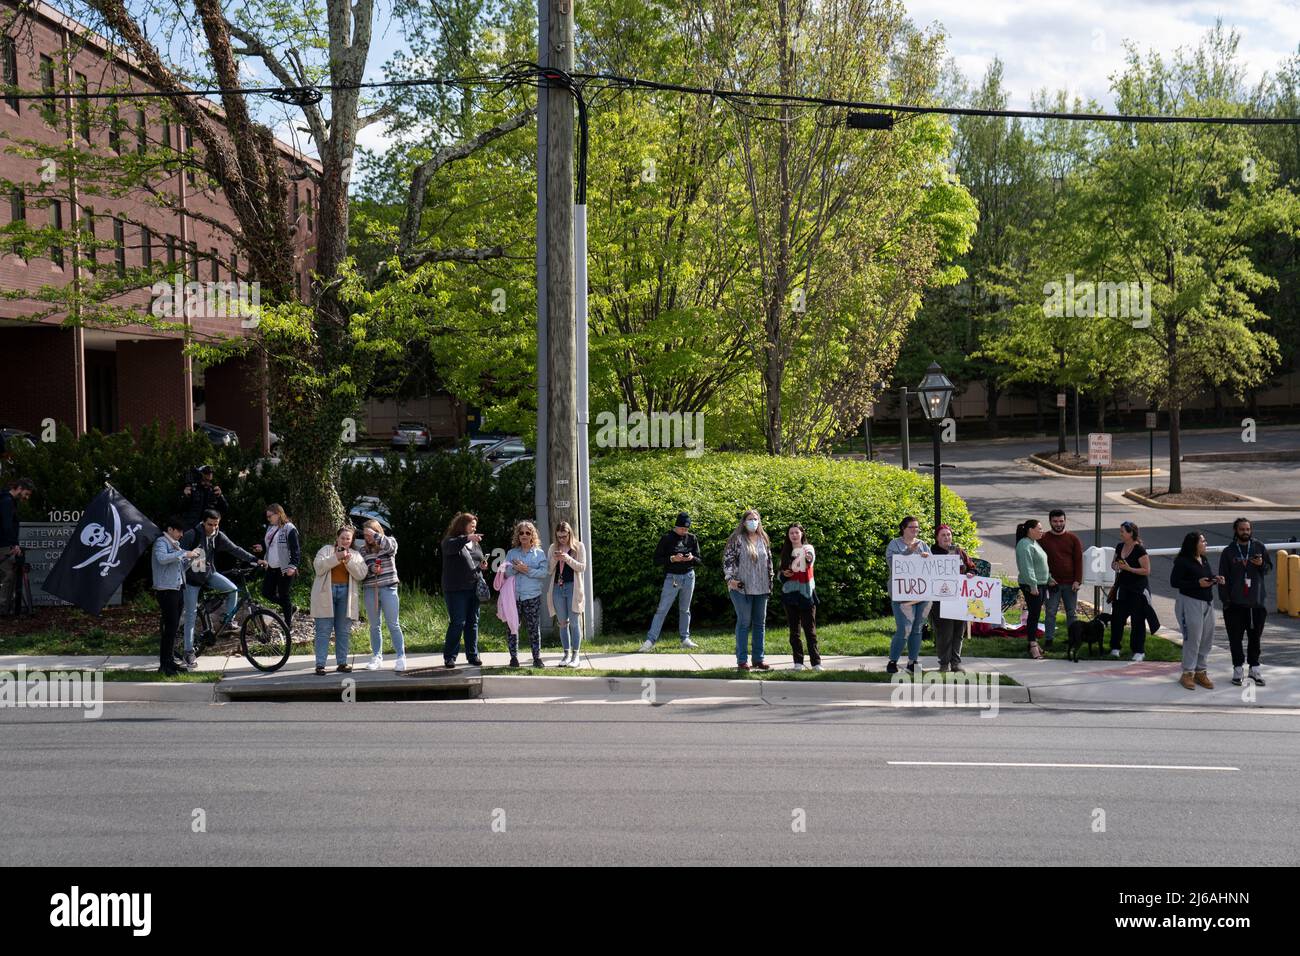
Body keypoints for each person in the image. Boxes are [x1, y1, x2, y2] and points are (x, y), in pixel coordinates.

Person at [180, 509, 262, 668]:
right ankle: (188, 652)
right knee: (191, 615)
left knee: (232, 589)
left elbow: (234, 549)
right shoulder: (192, 535)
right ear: (203, 522)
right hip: (191, 579)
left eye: (216, 525)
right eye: (210, 524)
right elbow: (179, 554)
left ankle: (228, 620)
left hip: (208, 574)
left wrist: (254, 560)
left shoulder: (218, 535)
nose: (213, 528)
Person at [1218, 517, 1271, 686]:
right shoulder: (1229, 551)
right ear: (1236, 530)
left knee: (1255, 637)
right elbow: (1222, 578)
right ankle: (1238, 668)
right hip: (1235, 604)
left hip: (1256, 603)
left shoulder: (1259, 547)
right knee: (1235, 638)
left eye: (1248, 529)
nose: (1246, 532)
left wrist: (1261, 564)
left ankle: (1254, 668)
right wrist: (1226, 601)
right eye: (1242, 529)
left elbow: (1269, 568)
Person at [638, 512, 702, 652]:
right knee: (662, 610)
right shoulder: (667, 538)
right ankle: (650, 640)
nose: (684, 531)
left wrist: (691, 558)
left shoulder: (692, 538)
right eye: (682, 529)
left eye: (687, 529)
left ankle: (685, 638)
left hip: (689, 576)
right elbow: (656, 560)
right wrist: (673, 559)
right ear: (676, 526)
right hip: (672, 577)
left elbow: (699, 559)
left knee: (685, 609)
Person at [310, 525, 368, 675]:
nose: (345, 541)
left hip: (346, 594)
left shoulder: (355, 554)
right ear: (337, 538)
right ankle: (320, 664)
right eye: (342, 538)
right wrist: (336, 557)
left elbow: (361, 574)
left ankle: (342, 663)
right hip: (326, 593)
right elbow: (318, 567)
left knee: (343, 631)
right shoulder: (326, 550)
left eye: (348, 538)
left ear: (352, 540)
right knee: (323, 630)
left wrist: (348, 562)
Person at [1171, 531, 1223, 691]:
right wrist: (1197, 583)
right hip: (1190, 602)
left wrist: (1215, 579)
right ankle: (1187, 673)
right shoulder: (1182, 561)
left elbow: (1205, 577)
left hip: (1207, 602)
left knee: (1207, 637)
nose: (1206, 543)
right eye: (1203, 541)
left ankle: (1201, 671)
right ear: (1194, 544)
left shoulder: (1204, 559)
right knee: (1193, 638)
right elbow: (1175, 582)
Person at [723, 509, 773, 671]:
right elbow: (728, 560)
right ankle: (742, 660)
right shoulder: (736, 539)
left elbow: (769, 562)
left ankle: (758, 659)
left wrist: (771, 580)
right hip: (740, 587)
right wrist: (731, 580)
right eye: (750, 519)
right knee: (744, 622)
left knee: (760, 624)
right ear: (744, 522)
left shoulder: (764, 539)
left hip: (762, 588)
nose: (753, 522)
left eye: (756, 519)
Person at [152, 516, 202, 675]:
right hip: (166, 590)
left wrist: (191, 559)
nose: (181, 534)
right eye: (179, 531)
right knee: (169, 628)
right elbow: (161, 559)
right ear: (170, 530)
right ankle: (164, 665)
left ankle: (170, 662)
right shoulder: (161, 542)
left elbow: (179, 567)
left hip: (177, 588)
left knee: (173, 629)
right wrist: (183, 553)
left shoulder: (175, 545)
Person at [886, 515, 931, 674]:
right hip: (902, 596)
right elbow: (892, 563)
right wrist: (908, 552)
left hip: (922, 594)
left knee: (917, 629)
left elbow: (932, 567)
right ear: (903, 528)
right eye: (911, 527)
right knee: (904, 628)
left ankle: (912, 662)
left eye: (917, 527)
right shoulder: (894, 544)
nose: (915, 530)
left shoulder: (923, 545)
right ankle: (893, 661)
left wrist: (927, 558)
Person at [441, 512, 487, 668]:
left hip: (473, 588)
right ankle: (450, 657)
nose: (474, 527)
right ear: (462, 525)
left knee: (473, 623)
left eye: (475, 524)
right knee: (458, 622)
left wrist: (482, 566)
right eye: (471, 524)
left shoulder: (475, 543)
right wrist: (467, 538)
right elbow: (450, 548)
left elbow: (477, 559)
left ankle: (472, 656)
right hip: (455, 590)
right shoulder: (450, 541)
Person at [360, 519, 407, 672]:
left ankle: (400, 657)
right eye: (365, 534)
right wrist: (371, 568)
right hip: (370, 589)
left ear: (376, 531)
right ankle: (377, 657)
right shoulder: (363, 550)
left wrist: (376, 536)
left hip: (388, 588)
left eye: (370, 534)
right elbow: (360, 570)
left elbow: (391, 547)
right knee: (374, 625)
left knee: (393, 624)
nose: (367, 537)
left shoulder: (389, 542)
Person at [930, 524, 977, 673]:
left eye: (948, 535)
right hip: (941, 600)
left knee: (958, 632)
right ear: (937, 538)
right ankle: (944, 664)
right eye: (943, 535)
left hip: (959, 599)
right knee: (945, 633)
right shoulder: (931, 552)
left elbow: (972, 567)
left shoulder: (958, 551)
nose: (946, 538)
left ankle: (955, 663)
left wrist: (971, 573)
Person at [504, 520, 550, 668]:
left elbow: (543, 573)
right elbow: (505, 572)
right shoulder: (511, 553)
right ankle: (513, 658)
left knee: (533, 628)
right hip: (514, 596)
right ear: (518, 535)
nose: (524, 535)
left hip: (532, 597)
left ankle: (536, 658)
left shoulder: (539, 553)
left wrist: (527, 570)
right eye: (521, 532)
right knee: (512, 627)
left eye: (527, 533)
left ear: (532, 535)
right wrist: (517, 568)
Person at [1040, 509, 1083, 648]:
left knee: (1072, 613)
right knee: (1050, 612)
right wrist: (1047, 579)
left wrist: (1078, 580)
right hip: (1052, 583)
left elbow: (1078, 560)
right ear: (1050, 521)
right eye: (1055, 521)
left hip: (1071, 583)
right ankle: (1049, 639)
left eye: (1061, 521)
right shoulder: (1044, 538)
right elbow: (1040, 562)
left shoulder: (1073, 538)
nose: (1058, 524)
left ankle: (1073, 639)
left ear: (1065, 521)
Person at [1108, 520, 1151, 662]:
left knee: (1137, 620)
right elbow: (1114, 564)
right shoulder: (1120, 546)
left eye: (1122, 531)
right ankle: (1115, 648)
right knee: (1117, 618)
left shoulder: (1139, 550)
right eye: (1120, 531)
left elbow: (1146, 571)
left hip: (1138, 589)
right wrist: (1116, 565)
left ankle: (1138, 650)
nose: (1120, 534)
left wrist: (1129, 569)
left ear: (1131, 533)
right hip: (1123, 587)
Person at [779, 524, 820, 671]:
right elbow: (780, 575)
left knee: (810, 631)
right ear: (788, 536)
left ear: (802, 534)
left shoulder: (808, 548)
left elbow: (808, 559)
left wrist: (801, 560)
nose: (794, 535)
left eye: (797, 532)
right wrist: (784, 574)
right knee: (794, 632)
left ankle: (816, 663)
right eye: (791, 533)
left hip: (806, 594)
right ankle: (798, 662)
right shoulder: (785, 552)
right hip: (790, 595)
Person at [548, 521, 588, 668]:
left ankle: (576, 655)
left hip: (573, 587)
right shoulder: (553, 547)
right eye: (559, 537)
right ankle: (566, 654)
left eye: (564, 536)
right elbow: (549, 570)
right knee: (562, 623)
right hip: (558, 588)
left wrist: (567, 558)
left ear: (570, 534)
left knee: (574, 622)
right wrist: (555, 558)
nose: (562, 540)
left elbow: (582, 567)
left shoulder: (579, 547)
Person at [254, 504, 300, 630]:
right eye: (267, 516)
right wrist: (261, 547)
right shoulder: (270, 528)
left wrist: (293, 565)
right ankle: (289, 608)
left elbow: (295, 549)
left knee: (284, 595)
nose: (268, 519)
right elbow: (269, 544)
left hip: (285, 566)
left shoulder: (289, 528)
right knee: (266, 592)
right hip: (271, 566)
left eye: (270, 516)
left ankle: (287, 625)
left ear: (278, 514)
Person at [1015, 519, 1050, 660]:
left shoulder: (1034, 543)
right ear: (1030, 529)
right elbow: (1026, 567)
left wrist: (1049, 578)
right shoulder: (1024, 545)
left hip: (1041, 583)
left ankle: (1033, 641)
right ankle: (1032, 644)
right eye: (1039, 528)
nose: (1042, 531)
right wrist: (1033, 585)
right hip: (1032, 585)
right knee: (1034, 615)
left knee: (1035, 615)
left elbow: (1040, 564)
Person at [0, 477, 34, 616]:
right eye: (26, 493)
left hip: (5, 543)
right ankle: (3, 609)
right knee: (7, 576)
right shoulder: (7, 502)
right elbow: (7, 526)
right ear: (19, 488)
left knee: (8, 575)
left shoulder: (8, 501)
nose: (26, 497)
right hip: (3, 545)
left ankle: (6, 607)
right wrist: (14, 544)